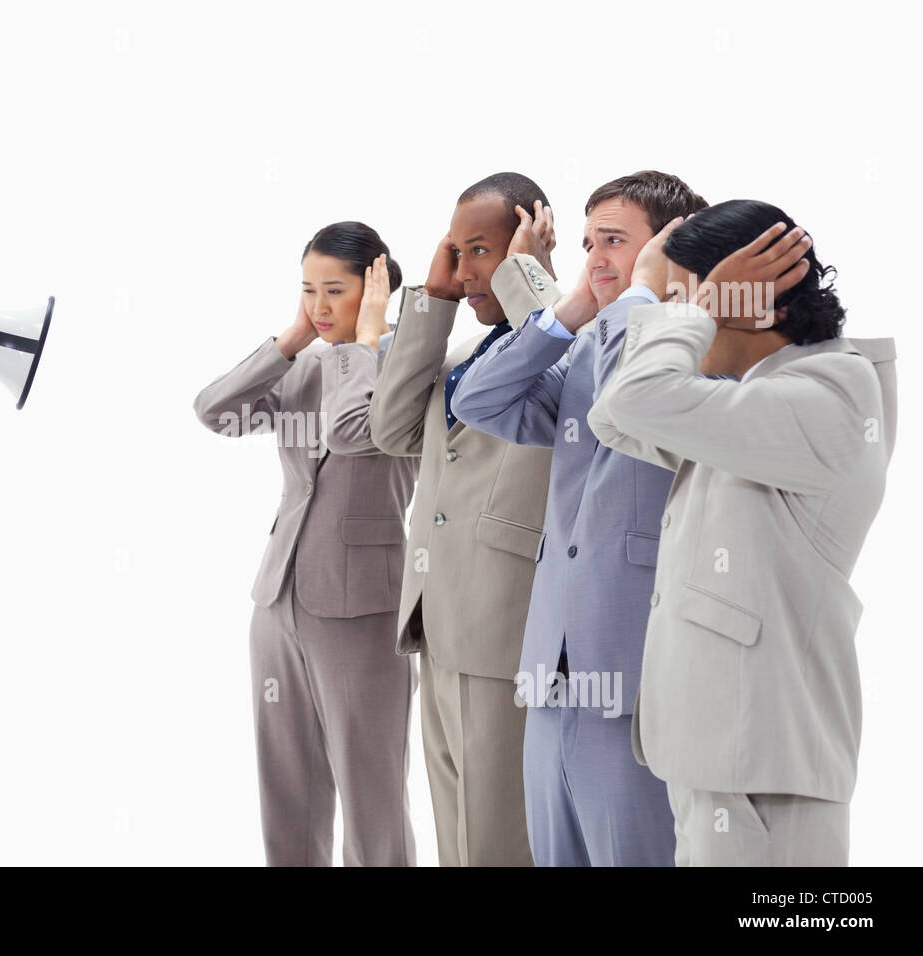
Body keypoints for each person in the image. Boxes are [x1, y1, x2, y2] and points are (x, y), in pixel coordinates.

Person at [587, 201, 896, 866]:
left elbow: (636, 400)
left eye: (689, 299)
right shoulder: (747, 401)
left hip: (763, 777)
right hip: (723, 761)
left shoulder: (824, 397)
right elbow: (611, 417)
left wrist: (689, 309)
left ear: (755, 301)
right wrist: (675, 292)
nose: (681, 318)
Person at [449, 171, 707, 866]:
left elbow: (638, 397)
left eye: (615, 241)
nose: (595, 258)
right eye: (589, 240)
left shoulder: (694, 348)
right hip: (551, 670)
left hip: (630, 677)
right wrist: (565, 313)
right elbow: (476, 402)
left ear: (670, 249)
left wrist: (646, 292)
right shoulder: (587, 345)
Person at [193, 221, 419, 865]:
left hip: (361, 613)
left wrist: (368, 339)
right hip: (278, 600)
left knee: (372, 794)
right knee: (286, 789)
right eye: (307, 290)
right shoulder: (308, 364)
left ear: (375, 289)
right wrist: (290, 340)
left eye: (335, 291)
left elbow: (352, 431)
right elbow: (214, 412)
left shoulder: (409, 369)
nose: (319, 307)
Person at [368, 173, 557, 866]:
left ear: (532, 238)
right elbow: (389, 430)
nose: (466, 268)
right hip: (437, 624)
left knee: (496, 842)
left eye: (479, 250)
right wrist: (435, 302)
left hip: (502, 633)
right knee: (457, 840)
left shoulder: (570, 341)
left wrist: (531, 278)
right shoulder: (458, 358)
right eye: (455, 249)